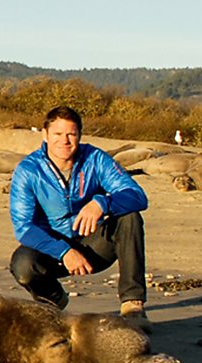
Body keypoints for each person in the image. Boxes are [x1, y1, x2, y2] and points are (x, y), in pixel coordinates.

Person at [8, 105, 151, 330]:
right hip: (52, 250)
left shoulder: (95, 159)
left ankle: (132, 304)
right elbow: (23, 227)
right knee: (23, 265)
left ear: (80, 135)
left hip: (94, 244)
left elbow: (137, 196)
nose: (64, 141)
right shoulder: (28, 170)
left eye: (71, 134)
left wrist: (102, 203)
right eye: (58, 134)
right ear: (45, 135)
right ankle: (53, 301)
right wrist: (63, 251)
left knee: (129, 218)